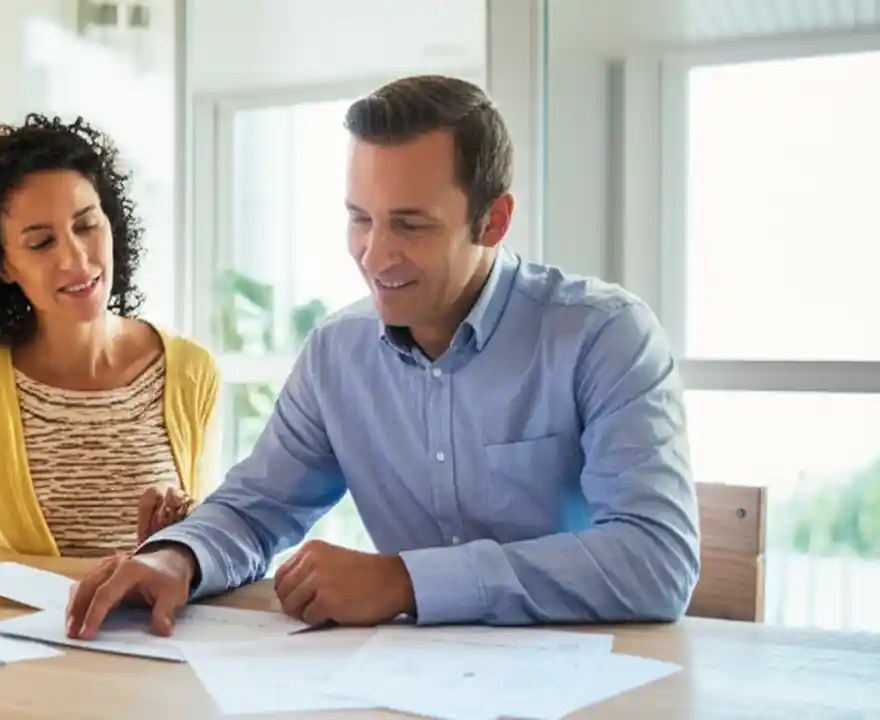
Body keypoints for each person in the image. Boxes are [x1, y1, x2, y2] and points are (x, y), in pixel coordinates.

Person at [66, 75, 701, 638]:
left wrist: (407, 581)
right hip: (404, 685)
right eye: (359, 219)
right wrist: (172, 560)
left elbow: (656, 559)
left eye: (410, 224)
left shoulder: (604, 335)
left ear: (494, 221)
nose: (373, 255)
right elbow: (256, 509)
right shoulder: (337, 354)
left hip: (589, 683)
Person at [0, 115, 219, 630]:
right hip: (42, 646)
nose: (76, 258)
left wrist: (183, 540)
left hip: (157, 645)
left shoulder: (190, 370)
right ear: (3, 265)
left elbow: (211, 547)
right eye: (40, 242)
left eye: (87, 225)